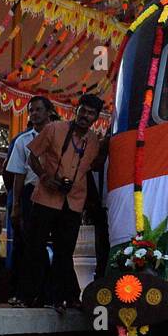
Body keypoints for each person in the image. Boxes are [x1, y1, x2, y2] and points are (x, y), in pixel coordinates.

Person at [18, 94, 106, 310]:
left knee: (64, 251)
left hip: (74, 201)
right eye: (83, 111)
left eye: (91, 113)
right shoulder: (54, 129)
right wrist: (46, 178)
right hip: (46, 197)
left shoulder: (94, 141)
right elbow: (32, 157)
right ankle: (30, 296)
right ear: (76, 110)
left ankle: (60, 299)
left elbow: (94, 165)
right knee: (35, 247)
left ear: (96, 118)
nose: (85, 116)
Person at [4, 96, 53, 304]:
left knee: (48, 245)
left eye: (38, 109)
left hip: (54, 194)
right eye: (31, 110)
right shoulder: (23, 140)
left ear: (48, 111)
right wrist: (15, 205)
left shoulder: (60, 136)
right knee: (29, 245)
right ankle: (27, 293)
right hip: (30, 194)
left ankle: (50, 293)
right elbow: (17, 174)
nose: (34, 114)